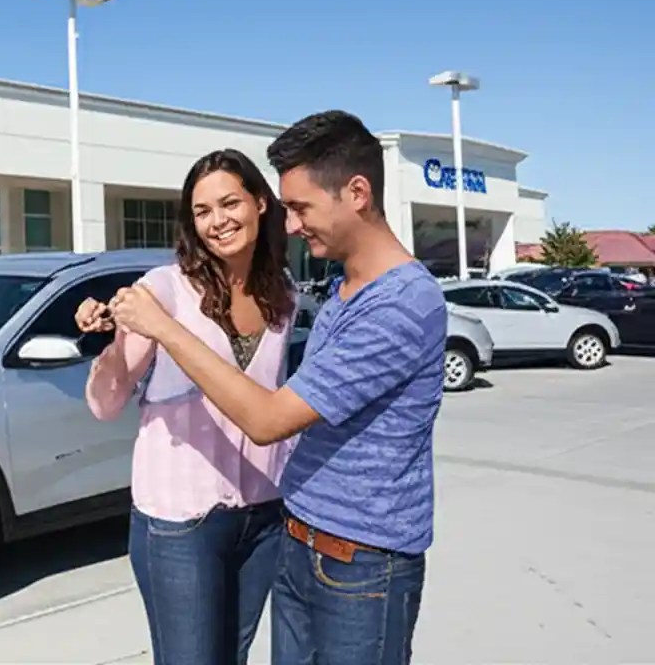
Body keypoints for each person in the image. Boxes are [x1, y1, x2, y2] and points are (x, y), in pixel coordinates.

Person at [107, 110, 446, 665]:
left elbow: (268, 420)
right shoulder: (341, 291)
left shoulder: (401, 304)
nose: (291, 225)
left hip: (361, 569)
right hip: (299, 544)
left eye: (301, 208)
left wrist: (165, 329)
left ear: (357, 192)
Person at [77, 148, 300, 665]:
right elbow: (105, 402)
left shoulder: (282, 293)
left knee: (232, 656)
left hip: (264, 510)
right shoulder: (164, 289)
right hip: (181, 520)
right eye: (202, 212)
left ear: (260, 203)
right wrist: (107, 342)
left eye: (229, 203)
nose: (218, 222)